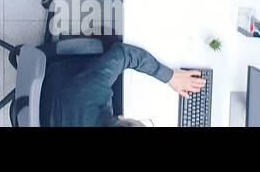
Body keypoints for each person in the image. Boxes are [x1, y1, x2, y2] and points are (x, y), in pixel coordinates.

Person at [39, 42, 206, 127]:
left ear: (122, 118)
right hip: (43, 112)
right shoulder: (95, 93)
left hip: (54, 79)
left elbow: (121, 53)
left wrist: (169, 76)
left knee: (113, 44)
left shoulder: (94, 90)